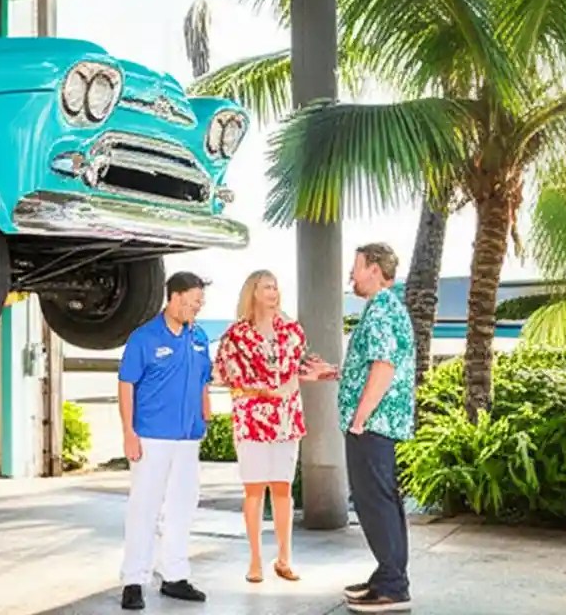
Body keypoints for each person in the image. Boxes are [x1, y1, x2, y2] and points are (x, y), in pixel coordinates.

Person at [308, 243, 417, 613]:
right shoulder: (383, 308)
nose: (350, 275)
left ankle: (392, 586)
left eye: (355, 268)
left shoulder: (383, 310)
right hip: (376, 422)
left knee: (375, 502)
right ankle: (388, 576)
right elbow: (371, 366)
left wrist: (360, 417)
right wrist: (334, 373)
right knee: (383, 499)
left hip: (372, 424)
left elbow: (384, 366)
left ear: (374, 269)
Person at [213, 270, 332, 584]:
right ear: (253, 292)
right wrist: (267, 390)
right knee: (254, 490)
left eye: (276, 287)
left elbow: (300, 370)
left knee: (282, 488)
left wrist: (298, 382)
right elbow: (227, 375)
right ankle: (255, 561)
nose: (273, 292)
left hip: (286, 419)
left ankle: (284, 558)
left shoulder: (292, 331)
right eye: (267, 287)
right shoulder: (236, 334)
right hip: (251, 420)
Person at [117, 271, 213, 611]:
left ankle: (175, 576)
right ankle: (133, 580)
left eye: (200, 303)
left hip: (188, 437)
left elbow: (203, 378)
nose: (196, 309)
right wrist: (129, 432)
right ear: (173, 297)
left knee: (183, 508)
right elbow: (126, 384)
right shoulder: (144, 338)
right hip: (151, 437)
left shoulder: (198, 336)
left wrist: (205, 410)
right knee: (144, 508)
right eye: (191, 302)